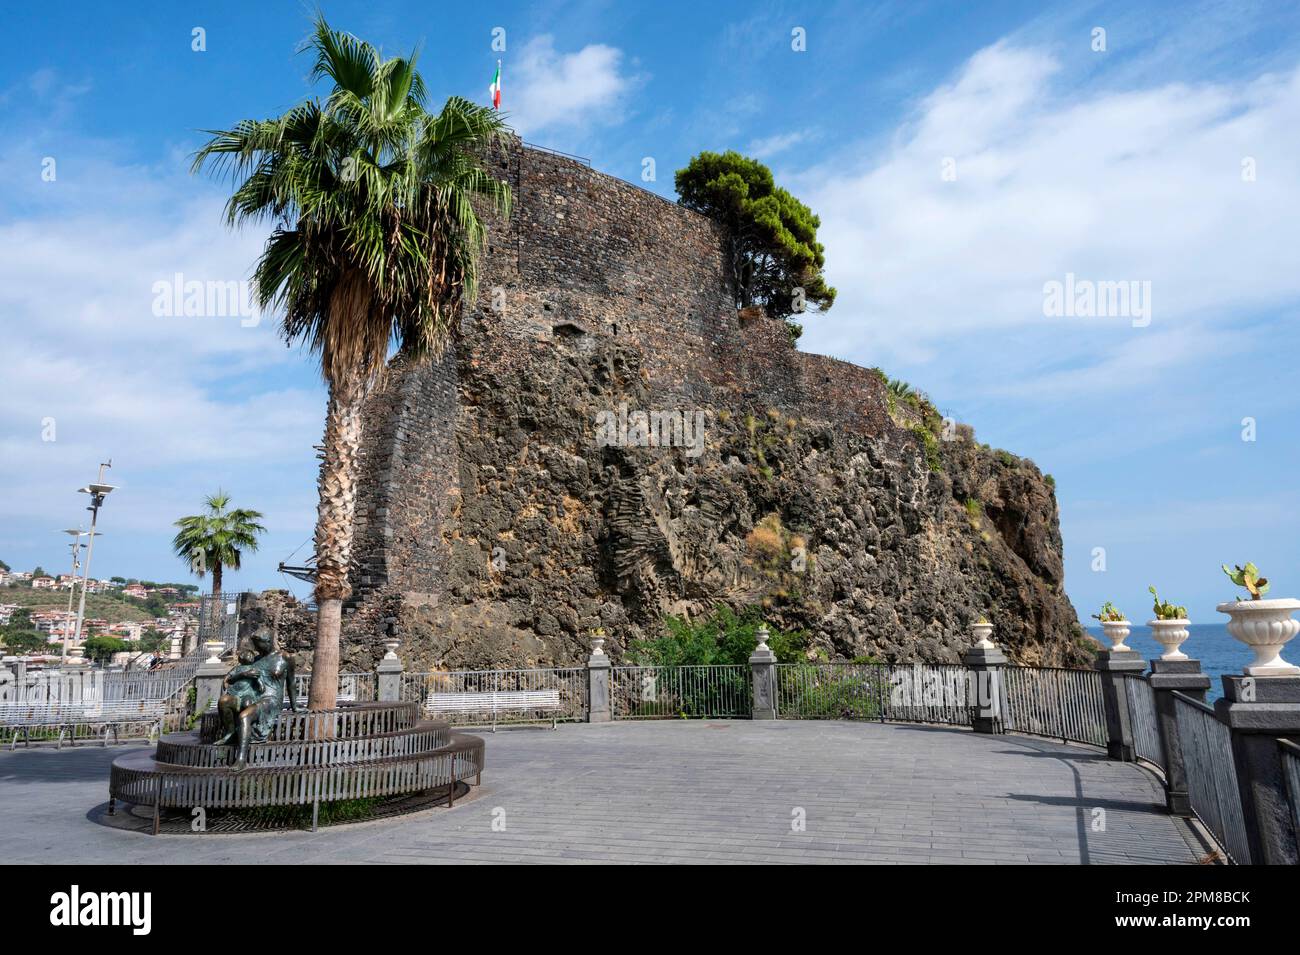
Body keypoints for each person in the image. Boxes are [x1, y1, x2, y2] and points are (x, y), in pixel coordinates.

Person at [213, 631, 298, 770]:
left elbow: (292, 683)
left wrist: (295, 707)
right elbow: (232, 677)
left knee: (244, 716)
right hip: (251, 696)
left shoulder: (285, 657)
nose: (256, 648)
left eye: (259, 645)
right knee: (224, 701)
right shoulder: (255, 660)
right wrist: (241, 674)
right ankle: (230, 733)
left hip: (270, 699)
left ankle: (241, 759)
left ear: (268, 642)